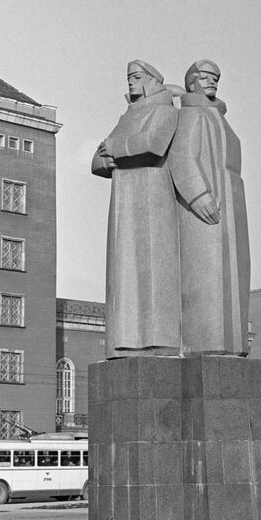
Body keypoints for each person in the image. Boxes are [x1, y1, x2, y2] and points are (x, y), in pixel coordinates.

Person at [93, 61, 181, 357]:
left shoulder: (164, 110)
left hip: (153, 195)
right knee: (124, 271)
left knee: (154, 267)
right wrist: (111, 156)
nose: (130, 82)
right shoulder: (127, 117)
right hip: (123, 200)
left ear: (153, 81)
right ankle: (126, 342)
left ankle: (158, 340)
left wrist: (113, 149)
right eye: (128, 78)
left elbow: (153, 145)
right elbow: (96, 160)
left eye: (136, 77)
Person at [168, 60, 250, 356]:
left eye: (215, 77)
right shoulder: (191, 114)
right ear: (191, 83)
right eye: (204, 77)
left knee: (232, 280)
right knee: (208, 278)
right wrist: (198, 194)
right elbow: (181, 156)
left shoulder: (218, 117)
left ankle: (232, 347)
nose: (211, 81)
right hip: (205, 208)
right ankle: (206, 346)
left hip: (230, 208)